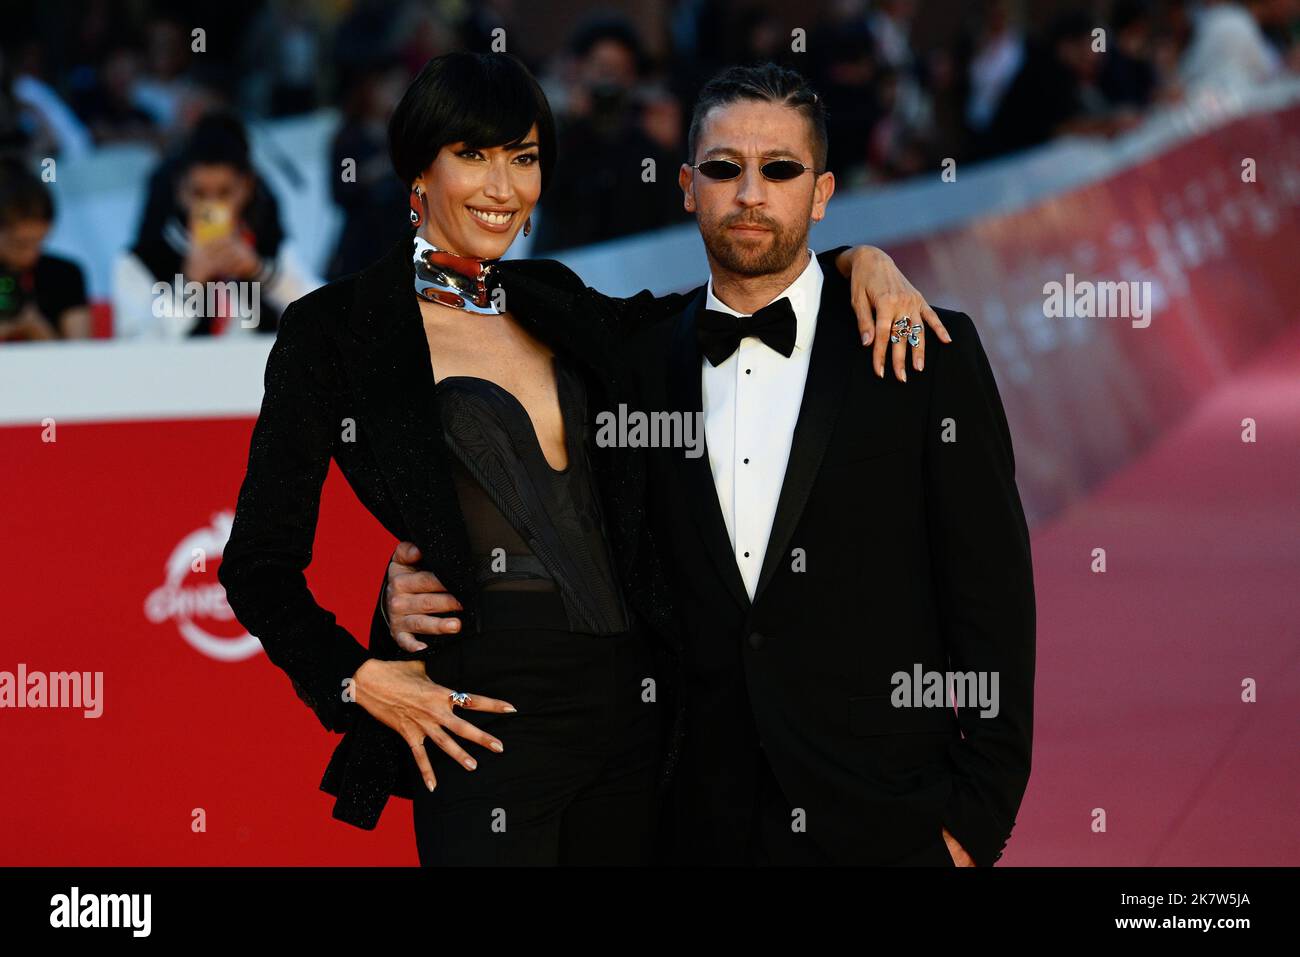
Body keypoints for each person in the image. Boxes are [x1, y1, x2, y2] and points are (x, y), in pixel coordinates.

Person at [217, 51, 946, 866]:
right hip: (481, 728)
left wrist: (852, 261)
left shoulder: (555, 298)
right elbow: (258, 564)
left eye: (524, 159)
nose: (503, 188)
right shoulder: (337, 330)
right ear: (419, 167)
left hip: (637, 719)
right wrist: (356, 677)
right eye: (474, 155)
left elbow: (706, 310)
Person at [383, 62, 1035, 866]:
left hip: (884, 822)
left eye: (781, 171)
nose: (752, 193)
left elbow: (994, 602)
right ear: (688, 186)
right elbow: (550, 519)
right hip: (691, 823)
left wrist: (974, 825)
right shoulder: (630, 361)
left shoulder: (920, 353)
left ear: (822, 193)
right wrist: (410, 582)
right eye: (725, 169)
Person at [112, 110, 318, 338]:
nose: (211, 206)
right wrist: (188, 285)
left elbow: (324, 316)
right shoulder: (142, 260)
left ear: (247, 187)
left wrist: (260, 272)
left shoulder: (270, 247)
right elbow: (135, 350)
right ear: (180, 190)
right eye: (199, 194)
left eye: (224, 193)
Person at [0, 157, 91, 341]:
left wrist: (37, 327)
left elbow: (81, 357)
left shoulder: (64, 274)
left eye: (40, 242)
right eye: (19, 244)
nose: (30, 254)